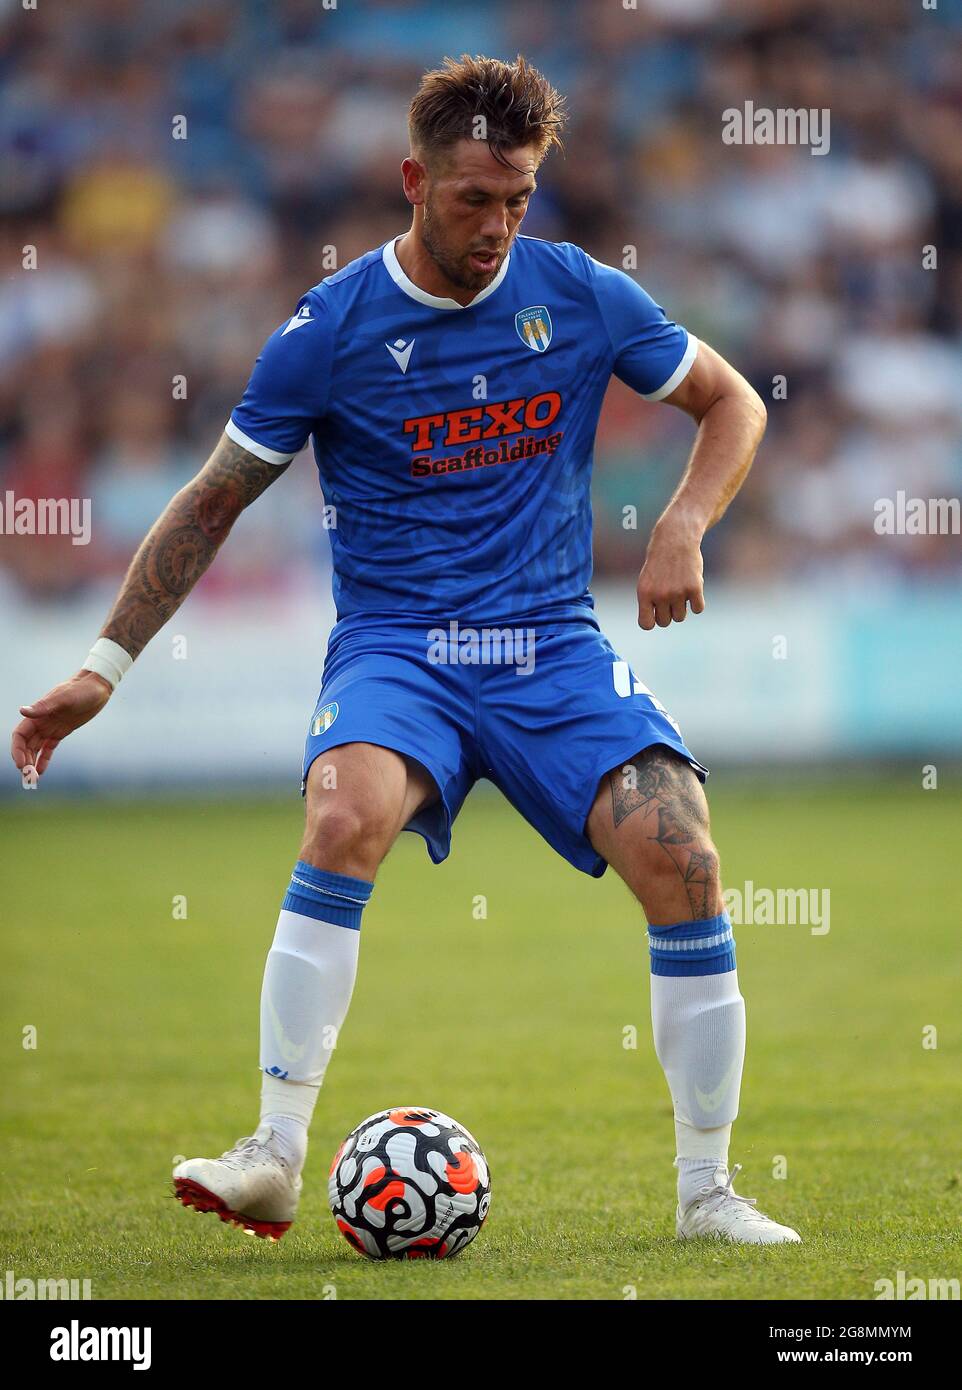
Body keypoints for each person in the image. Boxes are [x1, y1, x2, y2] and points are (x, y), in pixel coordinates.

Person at [10, 54, 798, 1247]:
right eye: (473, 198)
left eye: (518, 197)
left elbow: (732, 400)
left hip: (549, 646)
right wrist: (103, 668)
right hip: (399, 648)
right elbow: (211, 500)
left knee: (683, 853)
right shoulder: (325, 333)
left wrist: (681, 521)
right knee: (341, 816)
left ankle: (706, 1194)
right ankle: (271, 1154)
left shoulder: (577, 293)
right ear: (410, 181)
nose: (497, 226)